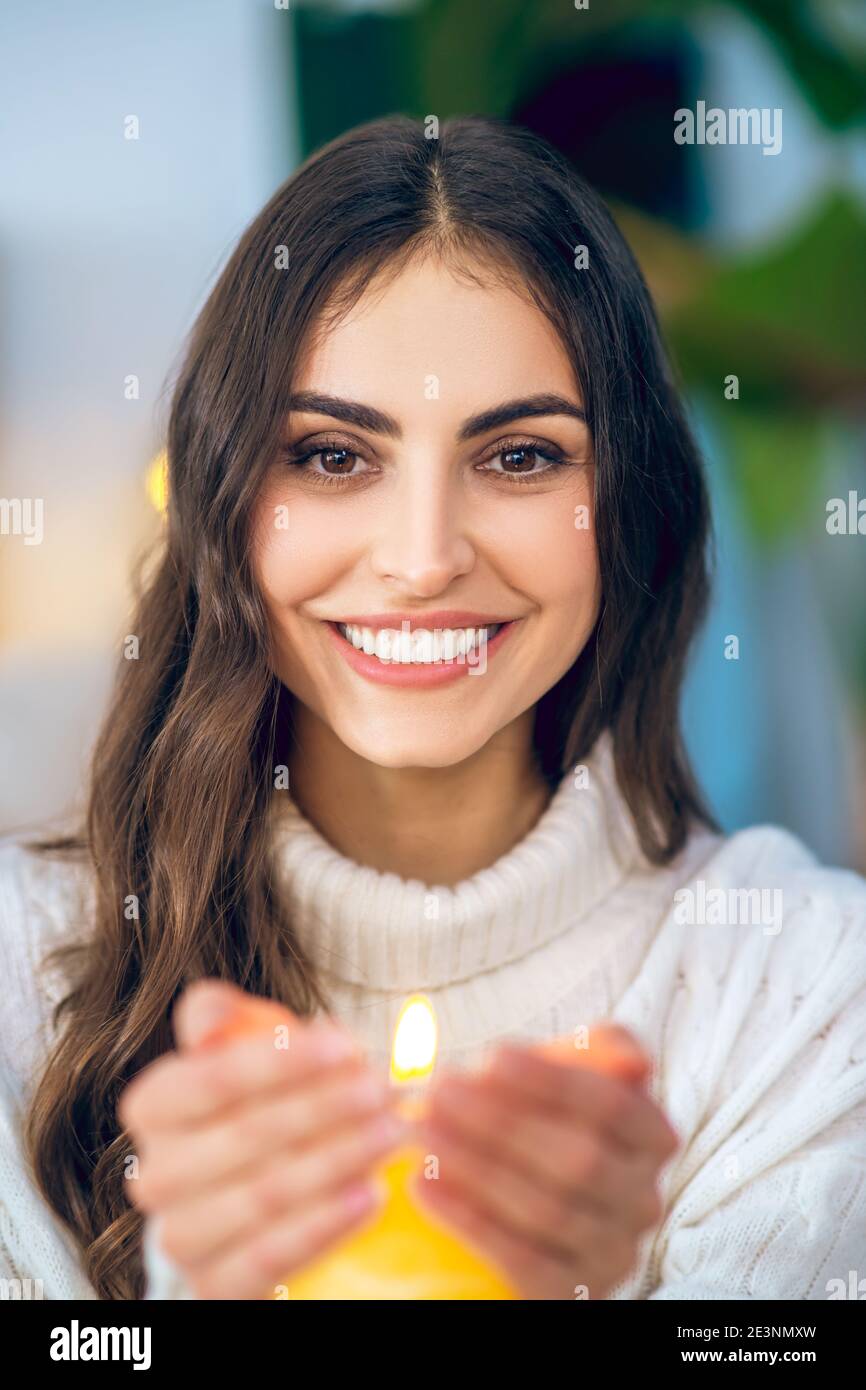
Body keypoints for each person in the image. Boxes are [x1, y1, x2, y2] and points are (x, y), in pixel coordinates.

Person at [1, 114, 864, 1302]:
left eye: (517, 456)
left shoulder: (811, 997)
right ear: (223, 497)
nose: (421, 559)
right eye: (331, 455)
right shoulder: (14, 972)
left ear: (626, 508)